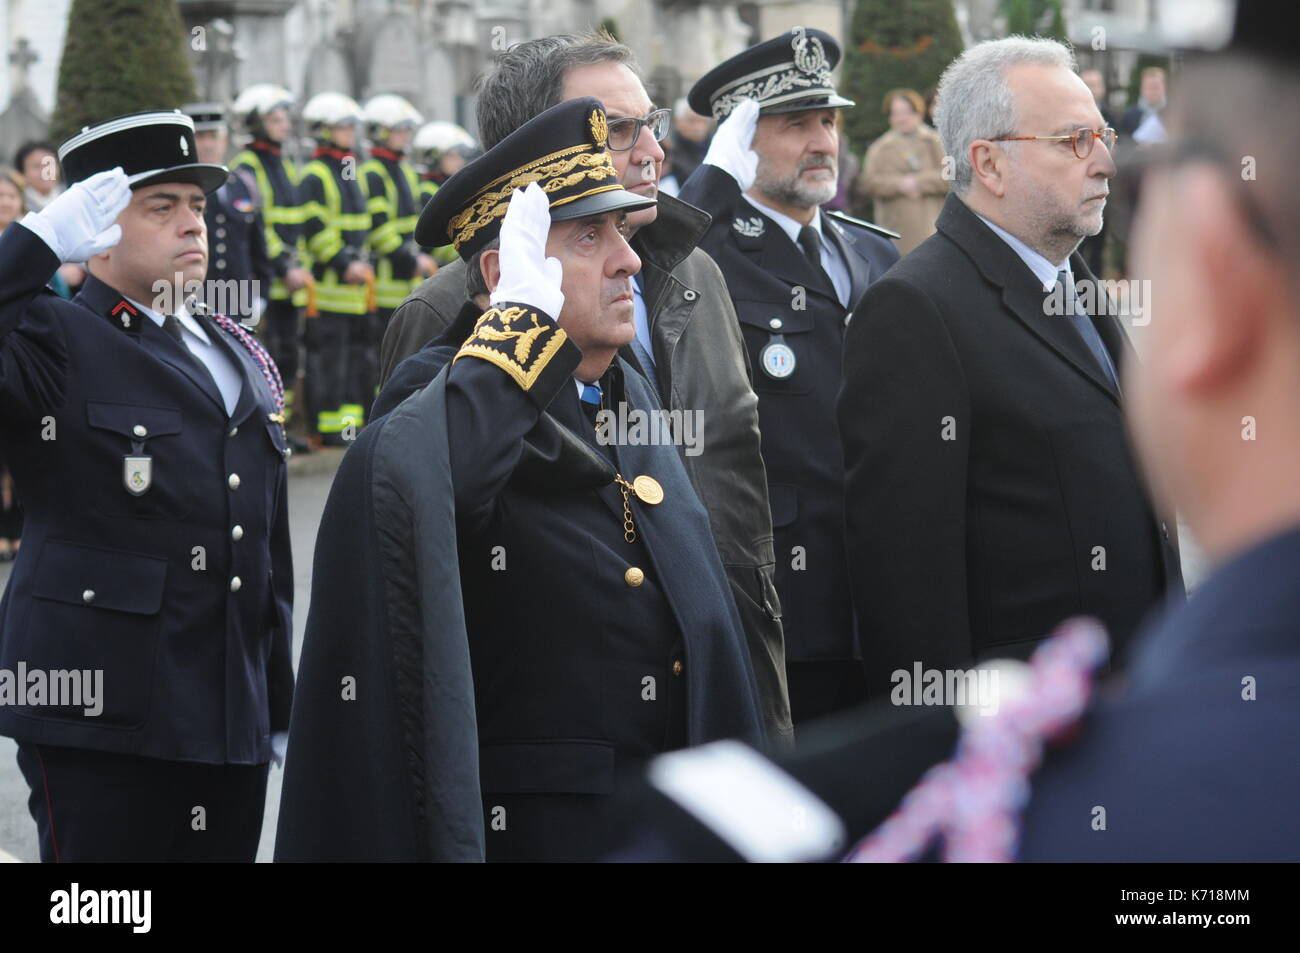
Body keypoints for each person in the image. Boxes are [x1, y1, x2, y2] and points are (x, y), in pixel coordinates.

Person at [275, 98, 765, 862]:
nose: (628, 261)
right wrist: (516, 340)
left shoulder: (623, 382)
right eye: (589, 237)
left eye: (625, 233)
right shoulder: (445, 399)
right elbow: (431, 486)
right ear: (507, 275)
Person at [378, 31, 793, 745]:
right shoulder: (449, 314)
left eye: (652, 124)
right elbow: (423, 536)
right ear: (540, 145)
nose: (651, 151)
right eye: (620, 128)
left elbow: (734, 482)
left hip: (723, 673)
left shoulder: (697, 275)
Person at [838, 37, 1182, 702]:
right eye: (1074, 140)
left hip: (1130, 706)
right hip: (1025, 740)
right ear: (990, 163)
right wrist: (953, 764)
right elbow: (905, 583)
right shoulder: (914, 310)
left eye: (1102, 135)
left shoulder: (1073, 278)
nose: (1106, 162)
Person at [0, 111, 294, 862]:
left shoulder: (236, 348)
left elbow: (265, 537)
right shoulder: (54, 336)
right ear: (94, 227)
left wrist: (278, 697)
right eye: (159, 207)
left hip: (227, 709)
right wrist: (33, 244)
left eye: (196, 205)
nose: (191, 224)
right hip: (102, 714)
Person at [680, 27, 900, 728]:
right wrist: (706, 190)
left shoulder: (873, 252)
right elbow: (650, 279)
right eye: (795, 123)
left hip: (887, 597)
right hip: (784, 604)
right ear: (741, 138)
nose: (823, 142)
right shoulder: (703, 254)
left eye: (830, 121)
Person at [230, 84, 312, 446]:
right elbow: (259, 226)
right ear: (255, 124)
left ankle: (282, 425)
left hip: (291, 283)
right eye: (274, 120)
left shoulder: (282, 162)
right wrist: (284, 267)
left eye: (284, 119)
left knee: (289, 357)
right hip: (269, 283)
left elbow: (295, 223)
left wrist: (302, 266)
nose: (283, 126)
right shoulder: (246, 167)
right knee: (267, 356)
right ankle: (266, 425)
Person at [297, 92, 374, 444]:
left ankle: (348, 429)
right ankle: (328, 433)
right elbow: (316, 228)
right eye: (342, 126)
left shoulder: (348, 169)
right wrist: (345, 263)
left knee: (354, 367)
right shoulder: (315, 174)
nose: (349, 133)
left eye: (350, 126)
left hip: (355, 293)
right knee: (330, 366)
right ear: (323, 130)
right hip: (330, 291)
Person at [359, 94, 436, 416]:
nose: (406, 135)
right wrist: (411, 258)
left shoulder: (403, 171)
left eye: (408, 129)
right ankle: (383, 416)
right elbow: (378, 227)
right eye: (399, 129)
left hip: (408, 283)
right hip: (385, 282)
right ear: (380, 131)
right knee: (384, 355)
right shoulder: (372, 172)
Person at [186, 102, 274, 324]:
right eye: (200, 137)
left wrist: (260, 296)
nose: (207, 144)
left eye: (213, 136)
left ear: (224, 141)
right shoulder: (180, 190)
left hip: (238, 303)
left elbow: (258, 246)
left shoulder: (242, 184)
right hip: (193, 303)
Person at [857, 88, 948, 255]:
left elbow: (951, 177)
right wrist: (899, 185)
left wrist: (918, 183)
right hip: (895, 233)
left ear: (918, 113)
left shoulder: (936, 142)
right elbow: (867, 183)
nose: (901, 118)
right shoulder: (879, 148)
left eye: (906, 112)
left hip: (933, 228)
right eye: (896, 113)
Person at [15, 141, 84, 293]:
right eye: (36, 167)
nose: (45, 171)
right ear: (22, 173)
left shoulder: (75, 198)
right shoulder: (15, 205)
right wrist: (56, 274)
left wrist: (81, 268)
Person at [1119, 66, 1168, 140]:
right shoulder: (1130, 115)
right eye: (1148, 87)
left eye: (1155, 86)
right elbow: (1123, 140)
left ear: (1165, 87)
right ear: (1142, 89)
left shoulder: (1176, 114)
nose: (1152, 91)